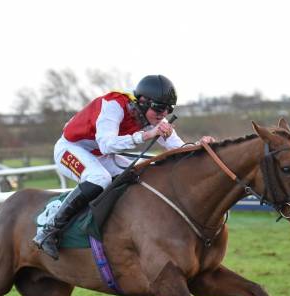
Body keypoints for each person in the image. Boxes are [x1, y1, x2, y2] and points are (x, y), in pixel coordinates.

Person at [33, 74, 215, 259]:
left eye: (168, 110)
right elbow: (106, 144)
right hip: (70, 148)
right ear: (143, 101)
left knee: (141, 174)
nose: (163, 114)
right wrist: (146, 135)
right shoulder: (113, 105)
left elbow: (178, 148)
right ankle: (48, 230)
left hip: (100, 155)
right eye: (159, 108)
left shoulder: (154, 116)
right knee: (99, 179)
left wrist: (201, 147)